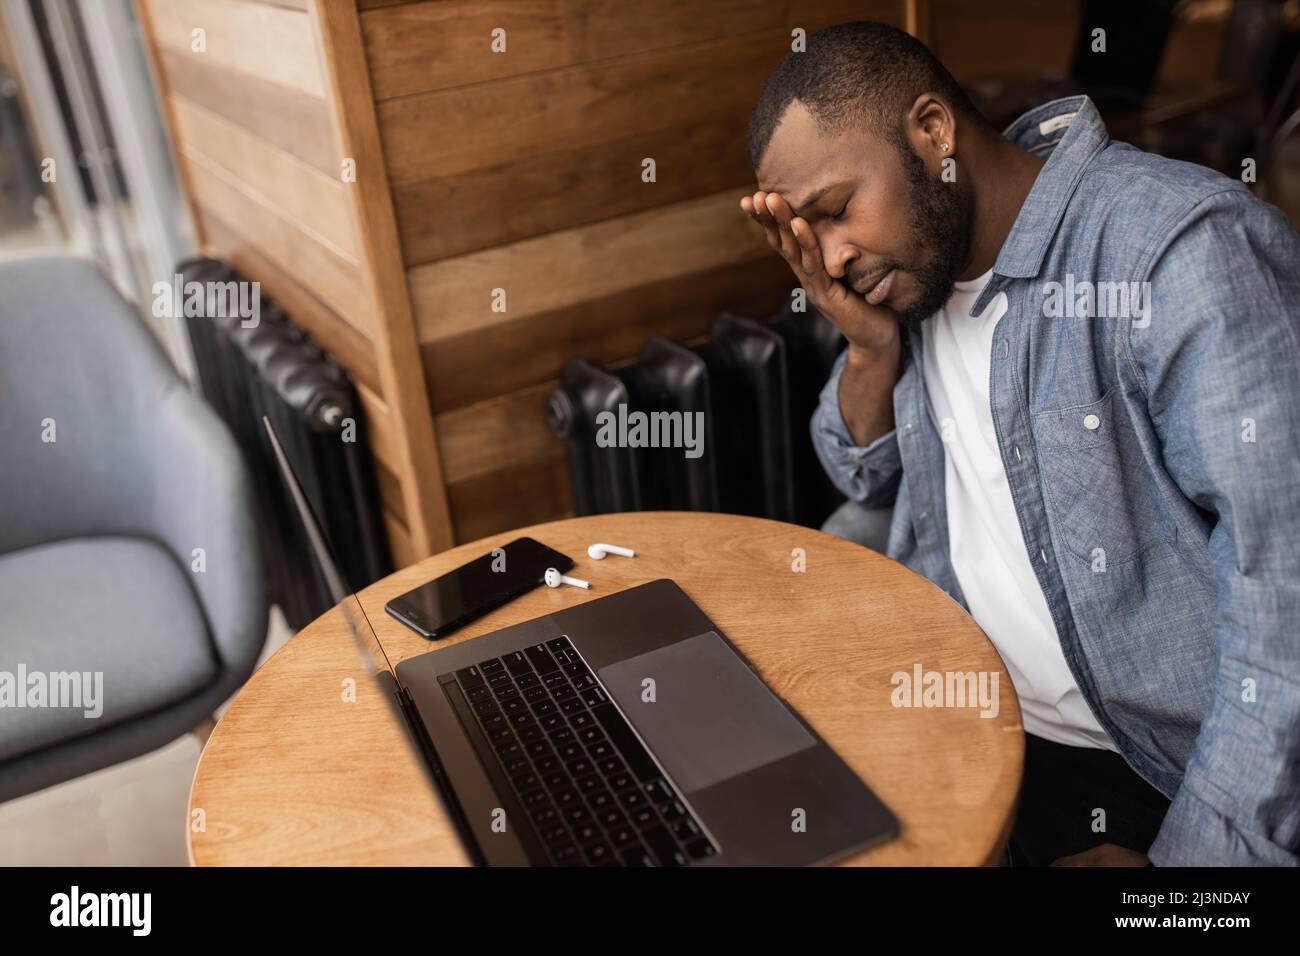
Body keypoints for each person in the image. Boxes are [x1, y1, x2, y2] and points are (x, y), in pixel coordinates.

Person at [742, 21, 1299, 866]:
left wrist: (1183, 876)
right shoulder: (916, 281)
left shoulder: (1175, 255)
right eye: (806, 233)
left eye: (834, 210)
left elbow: (1285, 603)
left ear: (934, 134)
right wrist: (868, 349)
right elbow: (859, 470)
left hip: (1161, 782)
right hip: (974, 729)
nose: (832, 257)